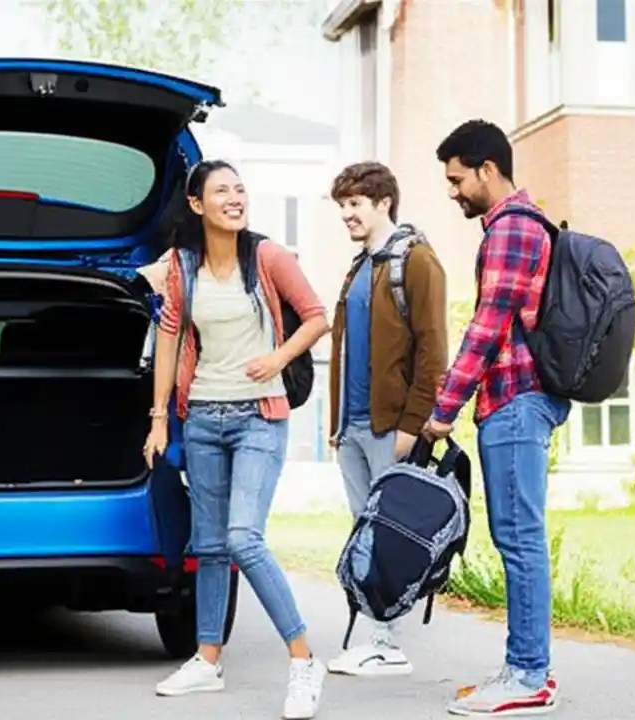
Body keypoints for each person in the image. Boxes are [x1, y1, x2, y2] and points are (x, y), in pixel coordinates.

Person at [143, 159, 331, 720]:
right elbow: (170, 336)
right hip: (201, 417)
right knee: (209, 544)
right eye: (222, 190)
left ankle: (302, 661)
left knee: (244, 538)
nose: (235, 197)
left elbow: (317, 317)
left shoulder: (267, 256)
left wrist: (279, 355)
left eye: (241, 189)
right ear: (197, 205)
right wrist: (159, 419)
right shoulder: (183, 264)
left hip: (259, 418)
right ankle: (206, 659)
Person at [421, 120, 570, 717]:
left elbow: (487, 329)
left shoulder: (510, 227)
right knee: (517, 538)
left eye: (457, 179)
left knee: (520, 540)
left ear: (487, 168)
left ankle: (529, 675)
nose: (452, 191)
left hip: (514, 398)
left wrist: (441, 412)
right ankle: (522, 666)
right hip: (516, 400)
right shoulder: (522, 224)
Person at [322, 161, 448, 677]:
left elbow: (434, 353)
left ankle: (386, 643)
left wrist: (412, 424)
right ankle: (375, 634)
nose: (347, 215)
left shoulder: (417, 263)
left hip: (390, 426)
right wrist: (337, 423)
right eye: (342, 206)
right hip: (353, 427)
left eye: (355, 204)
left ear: (383, 204)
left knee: (389, 536)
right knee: (364, 533)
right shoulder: (361, 266)